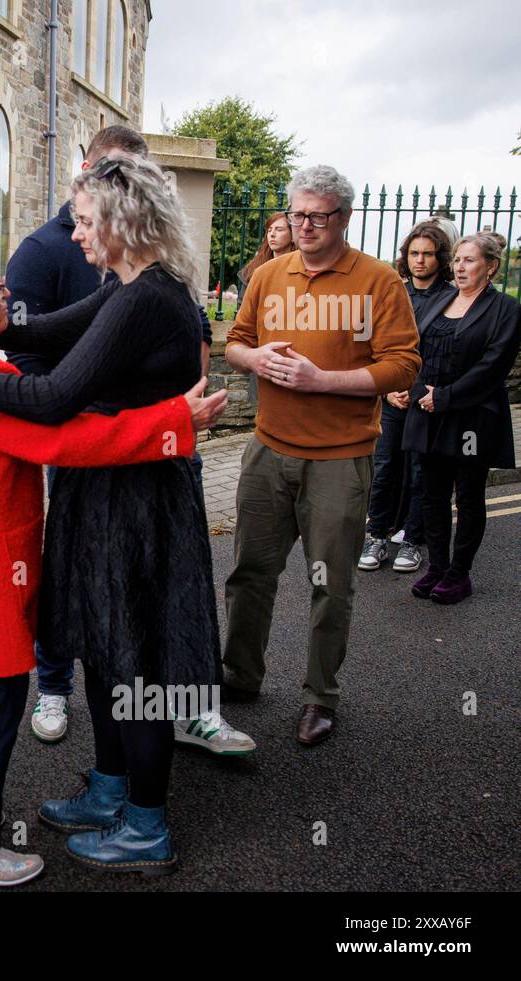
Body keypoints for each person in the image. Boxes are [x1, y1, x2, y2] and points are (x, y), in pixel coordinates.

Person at [0, 153, 230, 874]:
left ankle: (146, 825)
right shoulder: (124, 286)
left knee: (137, 660)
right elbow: (45, 330)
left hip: (139, 497)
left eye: (86, 221)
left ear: (123, 220)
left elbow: (54, 397)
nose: (77, 234)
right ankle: (111, 788)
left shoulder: (149, 296)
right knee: (101, 646)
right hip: (106, 487)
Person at [220, 165, 421, 746]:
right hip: (267, 449)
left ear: (345, 218)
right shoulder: (269, 274)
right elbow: (236, 340)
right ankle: (240, 676)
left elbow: (403, 366)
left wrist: (322, 379)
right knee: (250, 573)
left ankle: (319, 697)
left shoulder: (380, 281)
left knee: (330, 583)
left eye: (317, 216)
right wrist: (255, 361)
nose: (303, 225)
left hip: (340, 457)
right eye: (296, 214)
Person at [402, 232, 520, 604]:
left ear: (491, 266)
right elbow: (414, 348)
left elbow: (493, 365)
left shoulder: (506, 309)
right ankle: (437, 567)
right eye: (457, 259)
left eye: (470, 260)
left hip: (472, 415)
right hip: (429, 410)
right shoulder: (441, 300)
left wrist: (446, 397)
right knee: (431, 493)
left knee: (468, 496)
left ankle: (459, 573)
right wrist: (422, 392)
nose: (460, 266)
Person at [360, 221, 455, 574]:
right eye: (414, 253)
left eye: (428, 254)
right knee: (384, 470)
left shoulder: (451, 297)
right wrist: (385, 388)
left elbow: (445, 355)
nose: (420, 261)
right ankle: (376, 535)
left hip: (425, 400)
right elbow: (370, 345)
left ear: (439, 258)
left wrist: (414, 391)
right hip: (390, 398)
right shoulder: (392, 291)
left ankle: (413, 541)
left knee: (420, 474)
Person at [238, 212, 296, 294]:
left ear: (293, 235)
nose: (272, 234)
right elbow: (243, 304)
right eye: (269, 230)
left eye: (279, 230)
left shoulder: (301, 267)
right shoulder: (255, 267)